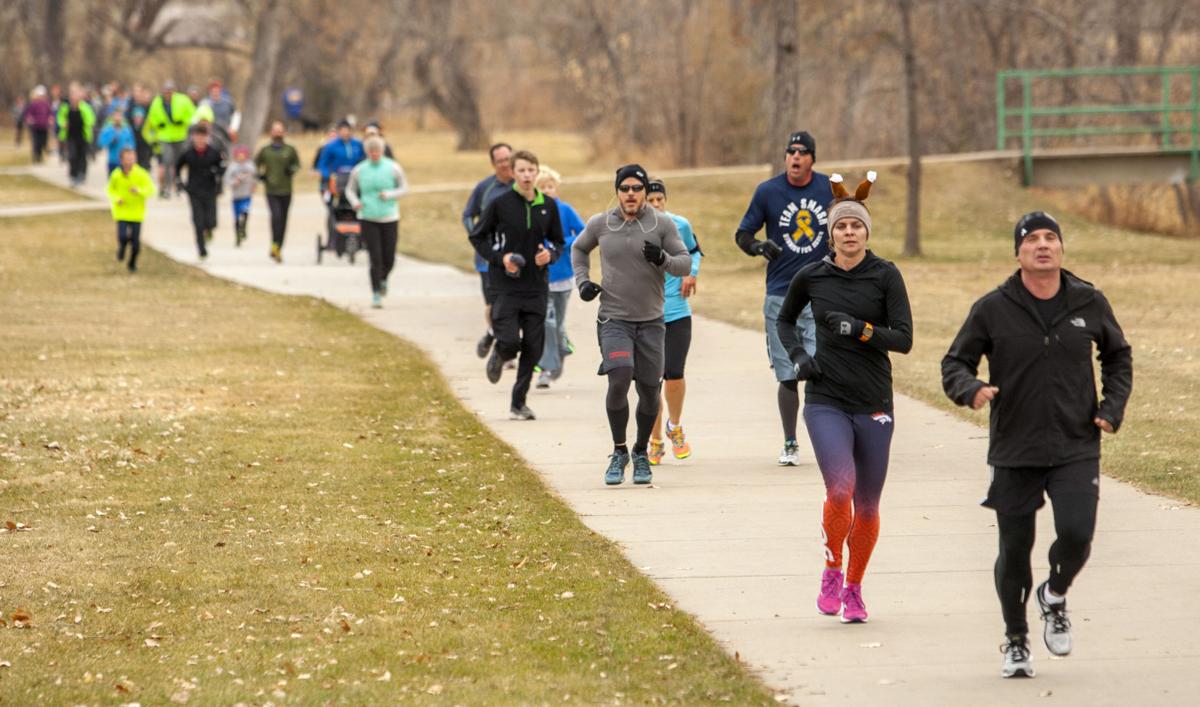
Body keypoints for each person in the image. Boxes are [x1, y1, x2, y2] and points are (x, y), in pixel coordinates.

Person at [941, 211, 1133, 679]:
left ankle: (1055, 593)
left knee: (1077, 533)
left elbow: (1118, 356)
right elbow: (954, 363)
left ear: (1061, 249)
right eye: (1032, 240)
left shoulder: (1088, 300)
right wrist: (971, 389)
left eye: (1051, 238)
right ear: (1018, 252)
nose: (1042, 245)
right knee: (1014, 549)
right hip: (1015, 447)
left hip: (1075, 442)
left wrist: (1111, 408)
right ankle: (1016, 639)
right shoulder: (993, 308)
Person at [776, 171, 911, 625]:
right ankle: (832, 566)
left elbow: (904, 339)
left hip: (874, 400)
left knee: (869, 505)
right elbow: (785, 321)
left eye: (856, 226)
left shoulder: (886, 275)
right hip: (825, 397)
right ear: (830, 233)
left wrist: (862, 330)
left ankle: (854, 588)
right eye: (841, 226)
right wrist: (799, 356)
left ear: (866, 232)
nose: (849, 233)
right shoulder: (812, 275)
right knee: (840, 489)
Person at [572, 164, 691, 485]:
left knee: (650, 390)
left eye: (637, 189)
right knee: (620, 378)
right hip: (613, 319)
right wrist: (583, 282)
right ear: (617, 191)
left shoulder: (661, 223)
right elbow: (579, 248)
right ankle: (619, 451)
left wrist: (662, 259)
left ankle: (641, 452)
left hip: (652, 322)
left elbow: (685, 262)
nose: (630, 194)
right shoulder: (601, 223)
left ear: (644, 192)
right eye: (624, 189)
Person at [735, 131, 834, 466]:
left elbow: (850, 224)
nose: (794, 157)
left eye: (802, 151)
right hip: (781, 294)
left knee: (824, 367)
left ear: (812, 158)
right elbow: (743, 234)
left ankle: (830, 439)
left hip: (822, 294)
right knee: (788, 372)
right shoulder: (768, 191)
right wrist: (759, 247)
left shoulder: (829, 189)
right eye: (790, 151)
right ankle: (790, 442)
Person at [468, 150, 563, 420]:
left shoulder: (549, 205)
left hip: (536, 287)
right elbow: (478, 237)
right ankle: (500, 352)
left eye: (531, 170)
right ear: (512, 172)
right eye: (521, 170)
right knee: (510, 342)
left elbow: (557, 241)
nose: (526, 175)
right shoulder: (500, 203)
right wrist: (501, 258)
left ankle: (518, 403)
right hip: (506, 286)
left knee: (533, 347)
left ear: (537, 172)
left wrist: (550, 255)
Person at [644, 178, 702, 465]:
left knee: (674, 373)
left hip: (678, 312)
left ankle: (674, 427)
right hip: (647, 315)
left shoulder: (680, 225)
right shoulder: (635, 230)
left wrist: (692, 273)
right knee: (651, 380)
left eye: (659, 200)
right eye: (650, 201)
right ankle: (655, 441)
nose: (656, 205)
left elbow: (693, 251)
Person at [534, 166, 586, 388]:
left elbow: (583, 233)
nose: (547, 191)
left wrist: (562, 244)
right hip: (541, 277)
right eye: (542, 187)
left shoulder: (565, 210)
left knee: (559, 324)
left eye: (550, 187)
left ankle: (561, 351)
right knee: (547, 320)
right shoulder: (533, 212)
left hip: (563, 274)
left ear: (556, 188)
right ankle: (546, 369)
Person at [462, 143, 515, 360]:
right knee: (494, 306)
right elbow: (467, 215)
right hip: (487, 260)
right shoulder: (485, 188)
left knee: (513, 304)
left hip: (515, 257)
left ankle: (502, 345)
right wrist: (478, 237)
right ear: (493, 164)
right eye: (500, 160)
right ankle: (498, 338)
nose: (505, 164)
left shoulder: (522, 186)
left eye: (507, 159)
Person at [347, 136, 409, 308]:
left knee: (389, 256)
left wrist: (389, 194)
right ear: (367, 152)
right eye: (371, 151)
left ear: (382, 151)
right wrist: (355, 203)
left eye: (377, 151)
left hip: (389, 216)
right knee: (375, 256)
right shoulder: (359, 170)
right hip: (368, 216)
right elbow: (350, 190)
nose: (374, 154)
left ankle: (383, 279)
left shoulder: (393, 167)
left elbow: (404, 188)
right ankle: (375, 293)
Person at [175, 124, 226, 260]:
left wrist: (217, 173)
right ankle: (201, 248)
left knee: (210, 220)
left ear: (207, 138)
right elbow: (178, 167)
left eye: (202, 137)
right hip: (194, 190)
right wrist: (179, 182)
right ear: (193, 137)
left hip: (210, 189)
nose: (200, 140)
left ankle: (209, 230)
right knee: (198, 221)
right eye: (197, 137)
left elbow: (222, 166)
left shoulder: (214, 152)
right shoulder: (188, 153)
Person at [254, 120, 301, 262]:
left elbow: (297, 164)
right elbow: (255, 164)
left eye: (280, 130)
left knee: (284, 219)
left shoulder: (290, 150)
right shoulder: (265, 150)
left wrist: (291, 170)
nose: (278, 133)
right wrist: (260, 176)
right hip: (271, 190)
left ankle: (278, 247)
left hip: (286, 190)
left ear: (284, 132)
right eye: (275, 130)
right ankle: (274, 243)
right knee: (276, 217)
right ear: (271, 132)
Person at [106, 147, 156, 272]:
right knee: (122, 236)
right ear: (121, 160)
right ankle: (122, 248)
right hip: (122, 211)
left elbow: (151, 190)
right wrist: (117, 198)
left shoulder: (141, 174)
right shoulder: (116, 174)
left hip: (136, 212)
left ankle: (132, 263)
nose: (130, 161)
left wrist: (139, 191)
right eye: (127, 159)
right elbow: (110, 190)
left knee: (136, 243)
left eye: (132, 159)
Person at [143, 80, 196, 198]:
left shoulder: (183, 100)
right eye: (166, 91)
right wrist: (158, 124)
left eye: (170, 91)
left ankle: (178, 185)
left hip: (179, 135)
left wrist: (183, 121)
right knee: (167, 161)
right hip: (165, 136)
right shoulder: (157, 102)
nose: (168, 94)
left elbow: (192, 114)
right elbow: (152, 116)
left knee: (179, 162)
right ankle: (167, 187)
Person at [58, 85, 96, 186]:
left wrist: (87, 124)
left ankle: (82, 174)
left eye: (76, 97)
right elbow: (60, 118)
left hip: (83, 136)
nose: (74, 100)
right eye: (73, 98)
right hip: (70, 136)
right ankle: (73, 175)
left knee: (82, 156)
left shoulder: (85, 107)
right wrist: (63, 124)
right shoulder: (65, 108)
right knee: (72, 156)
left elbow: (91, 120)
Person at [223, 145, 256, 247]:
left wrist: (254, 186)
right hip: (236, 195)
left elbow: (255, 178)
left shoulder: (250, 166)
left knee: (245, 212)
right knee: (237, 217)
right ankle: (237, 235)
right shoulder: (232, 167)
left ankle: (243, 228)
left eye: (243, 155)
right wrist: (234, 183)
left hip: (246, 194)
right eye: (239, 155)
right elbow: (227, 180)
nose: (241, 157)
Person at [316, 119, 365, 187]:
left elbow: (363, 160)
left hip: (354, 178)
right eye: (342, 130)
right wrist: (328, 175)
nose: (345, 133)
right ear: (338, 131)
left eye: (346, 130)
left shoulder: (358, 144)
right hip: (336, 179)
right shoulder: (330, 146)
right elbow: (322, 164)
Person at [97, 110, 136, 175]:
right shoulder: (108, 130)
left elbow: (132, 145)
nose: (118, 118)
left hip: (125, 162)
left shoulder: (127, 130)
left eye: (120, 116)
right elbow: (101, 143)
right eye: (116, 116)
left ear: (123, 118)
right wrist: (111, 140)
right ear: (112, 117)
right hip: (113, 160)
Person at [127, 83, 154, 169]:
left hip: (145, 134)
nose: (137, 93)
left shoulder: (147, 105)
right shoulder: (130, 104)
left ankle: (145, 169)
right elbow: (127, 117)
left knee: (146, 154)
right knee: (136, 154)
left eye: (139, 91)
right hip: (134, 134)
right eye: (135, 91)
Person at [24, 86, 52, 163]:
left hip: (44, 126)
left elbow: (50, 113)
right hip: (36, 126)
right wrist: (29, 119)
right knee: (36, 142)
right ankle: (36, 157)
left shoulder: (46, 104)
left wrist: (50, 118)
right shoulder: (33, 104)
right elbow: (28, 113)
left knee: (43, 142)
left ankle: (40, 155)